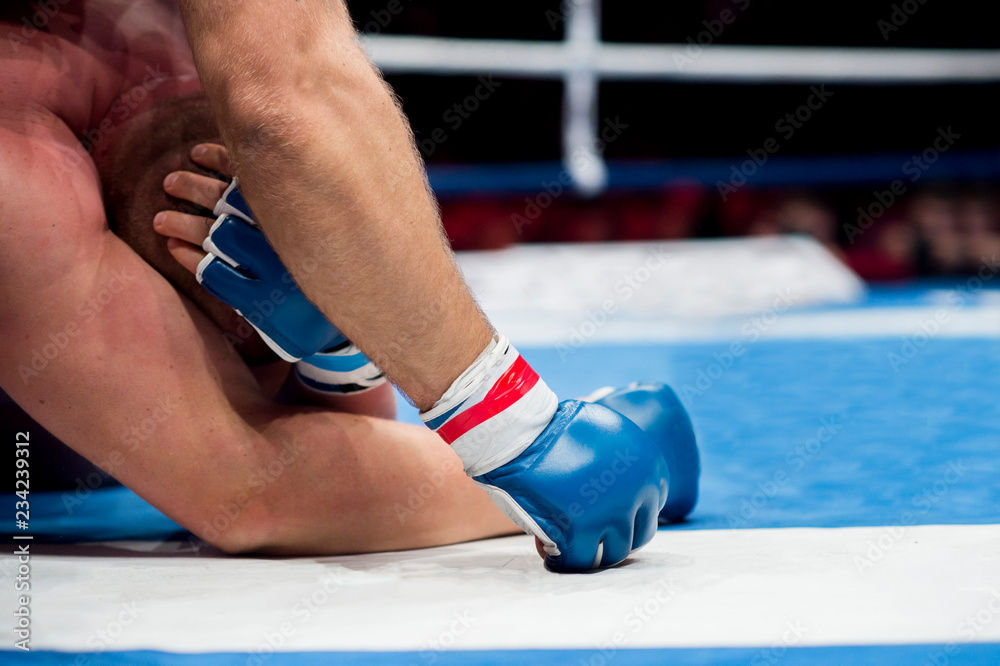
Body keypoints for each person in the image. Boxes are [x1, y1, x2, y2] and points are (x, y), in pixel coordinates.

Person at [1, 0, 696, 569]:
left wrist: (339, 354)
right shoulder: (20, 179)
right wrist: (538, 446)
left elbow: (333, 447)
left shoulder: (201, 36)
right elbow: (255, 497)